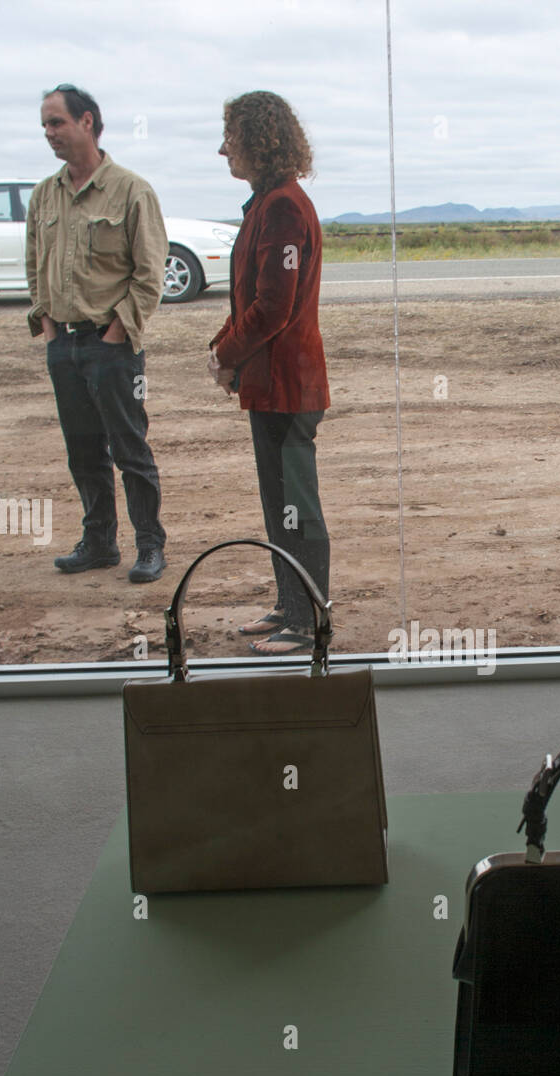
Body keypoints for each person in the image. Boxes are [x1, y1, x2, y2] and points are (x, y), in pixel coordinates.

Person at [26, 84, 169, 581]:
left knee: (130, 449)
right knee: (82, 450)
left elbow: (150, 274)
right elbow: (33, 264)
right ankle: (99, 542)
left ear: (87, 122)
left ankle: (149, 544)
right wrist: (47, 325)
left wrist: (116, 333)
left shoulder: (131, 190)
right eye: (45, 125)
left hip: (113, 347)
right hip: (63, 345)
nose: (49, 133)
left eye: (57, 123)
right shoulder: (45, 194)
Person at [208, 91, 331, 655]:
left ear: (259, 140)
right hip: (272, 385)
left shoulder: (282, 206)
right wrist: (225, 350)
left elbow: (274, 308)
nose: (223, 149)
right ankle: (289, 605)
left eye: (231, 138)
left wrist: (226, 355)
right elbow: (252, 302)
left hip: (289, 385)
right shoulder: (267, 202)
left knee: (296, 505)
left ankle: (308, 626)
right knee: (278, 501)